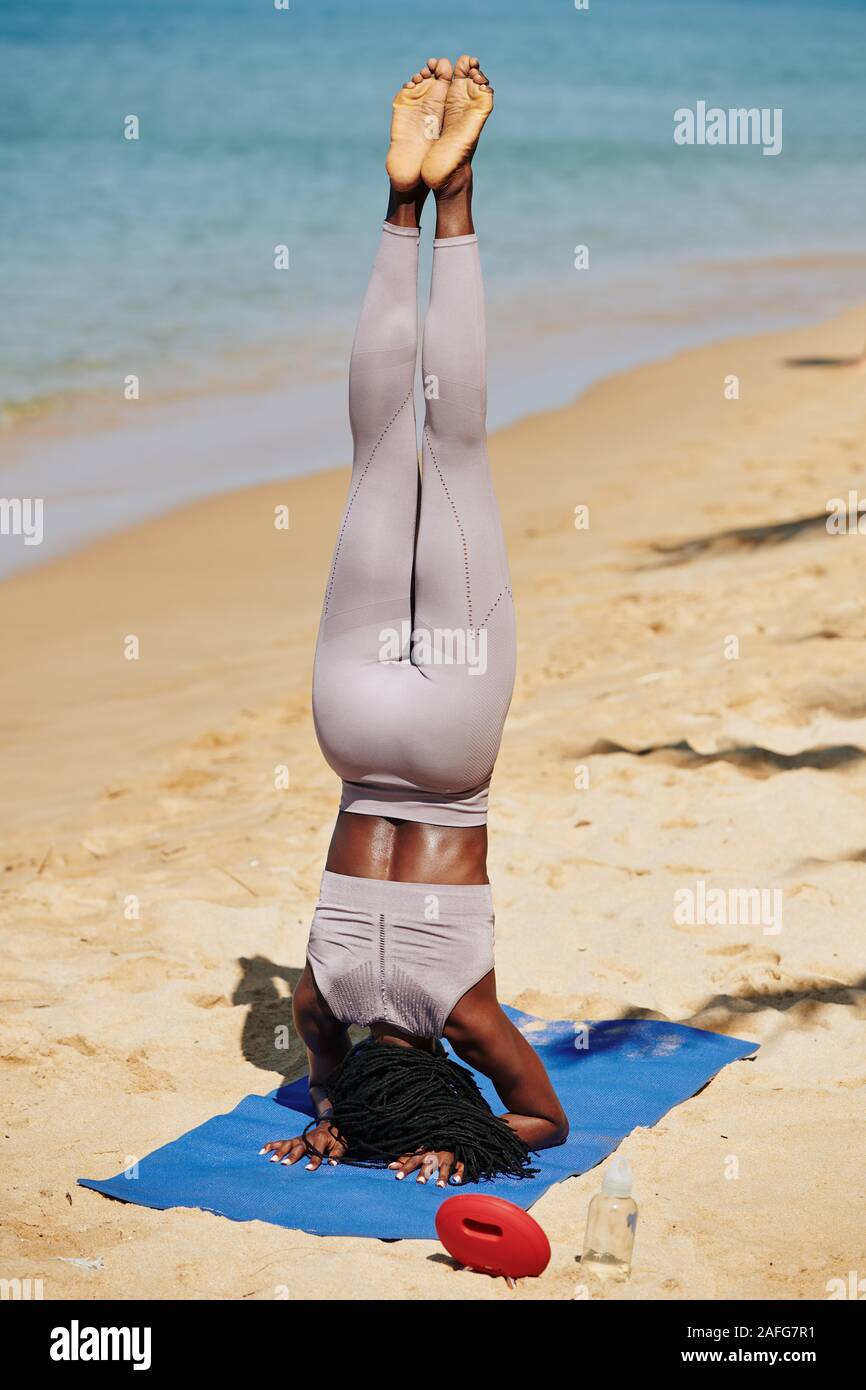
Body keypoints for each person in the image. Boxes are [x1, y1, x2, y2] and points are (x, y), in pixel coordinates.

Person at [261, 57, 567, 1188]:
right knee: (384, 453)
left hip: (444, 751)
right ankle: (403, 199)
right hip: (352, 733)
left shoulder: (469, 1010)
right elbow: (326, 1061)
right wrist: (340, 1112)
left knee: (450, 451)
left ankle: (450, 196)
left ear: (445, 1065)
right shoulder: (320, 995)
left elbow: (540, 1124)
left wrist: (456, 1133)